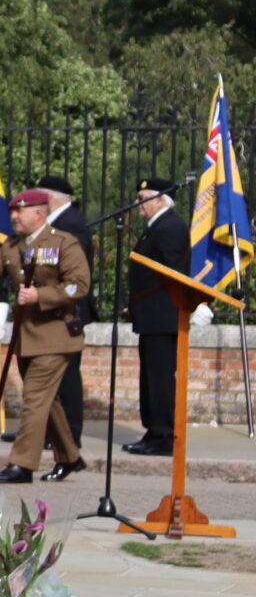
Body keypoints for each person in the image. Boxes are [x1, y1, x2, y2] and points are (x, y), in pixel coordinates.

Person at [0, 188, 91, 485]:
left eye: (19, 212)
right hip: (28, 336)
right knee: (48, 401)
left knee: (34, 398)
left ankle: (21, 465)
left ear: (39, 213)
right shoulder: (12, 246)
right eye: (12, 211)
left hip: (56, 334)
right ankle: (70, 457)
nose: (13, 217)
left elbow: (79, 286)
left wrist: (41, 295)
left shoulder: (63, 242)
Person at [125, 177, 189, 456]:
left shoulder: (170, 228)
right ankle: (154, 431)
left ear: (159, 199)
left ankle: (164, 437)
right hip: (151, 315)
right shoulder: (156, 228)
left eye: (142, 198)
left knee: (160, 378)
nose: (138, 204)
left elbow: (174, 273)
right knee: (151, 378)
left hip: (162, 315)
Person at [35, 175, 93, 446]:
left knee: (66, 374)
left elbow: (68, 268)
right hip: (49, 308)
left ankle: (68, 433)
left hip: (67, 311)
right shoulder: (56, 223)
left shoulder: (71, 224)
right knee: (48, 375)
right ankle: (47, 429)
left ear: (50, 197)